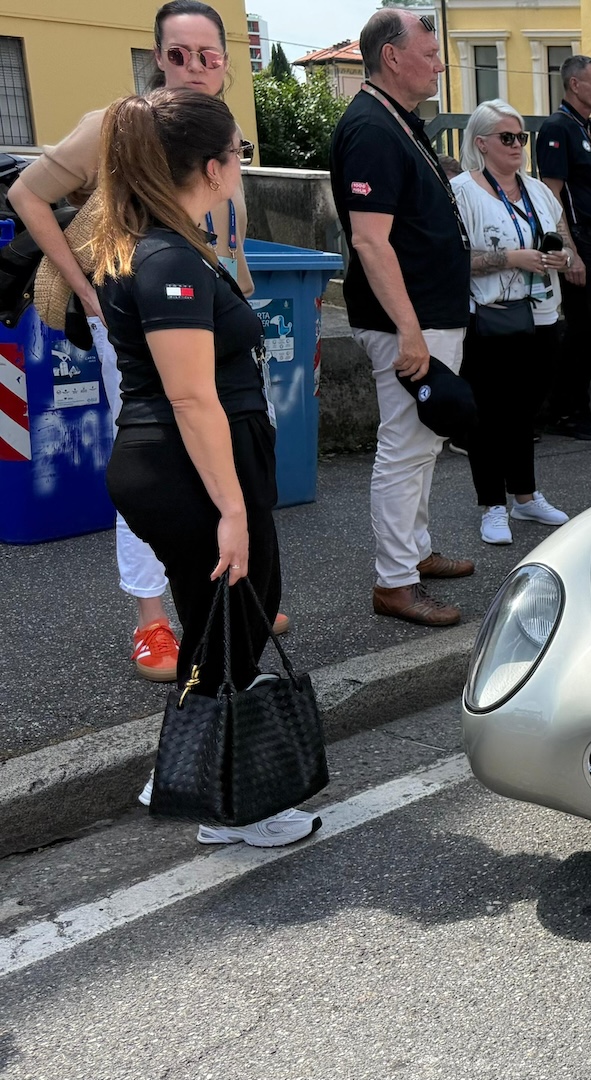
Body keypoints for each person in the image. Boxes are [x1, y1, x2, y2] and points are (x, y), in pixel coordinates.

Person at [9, 0, 284, 682]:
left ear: (227, 62)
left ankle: (222, 593)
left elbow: (227, 236)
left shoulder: (216, 138)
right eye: (179, 54)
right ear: (157, 58)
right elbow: (29, 195)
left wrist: (234, 290)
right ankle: (154, 621)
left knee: (208, 459)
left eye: (209, 55)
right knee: (166, 448)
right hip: (149, 312)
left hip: (201, 308)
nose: (194, 66)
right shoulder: (118, 125)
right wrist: (85, 288)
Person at [94, 88, 320, 847]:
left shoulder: (172, 244)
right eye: (241, 155)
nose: (243, 168)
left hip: (192, 459)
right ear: (216, 163)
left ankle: (198, 781)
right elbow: (191, 398)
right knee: (233, 614)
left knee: (225, 618)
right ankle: (228, 799)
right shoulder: (166, 259)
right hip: (186, 463)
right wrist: (230, 509)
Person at [330, 7, 473, 626]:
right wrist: (411, 330)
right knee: (405, 446)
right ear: (392, 57)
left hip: (424, 315)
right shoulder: (370, 128)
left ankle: (412, 555)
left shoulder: (394, 122)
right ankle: (394, 580)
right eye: (430, 51)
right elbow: (370, 241)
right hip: (405, 324)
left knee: (421, 443)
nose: (440, 62)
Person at [452, 100, 575, 546]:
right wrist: (511, 259)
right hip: (491, 318)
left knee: (525, 413)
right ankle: (492, 506)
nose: (517, 145)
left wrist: (561, 258)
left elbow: (565, 246)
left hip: (542, 315)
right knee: (487, 416)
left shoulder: (539, 191)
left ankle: (525, 496)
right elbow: (453, 260)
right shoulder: (463, 191)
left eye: (521, 137)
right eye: (507, 137)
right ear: (481, 143)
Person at [535, 55, 591, 442]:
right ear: (574, 85)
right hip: (579, 243)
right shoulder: (557, 128)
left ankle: (579, 407)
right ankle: (564, 411)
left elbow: (584, 193)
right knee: (582, 328)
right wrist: (570, 250)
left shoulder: (589, 129)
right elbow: (553, 196)